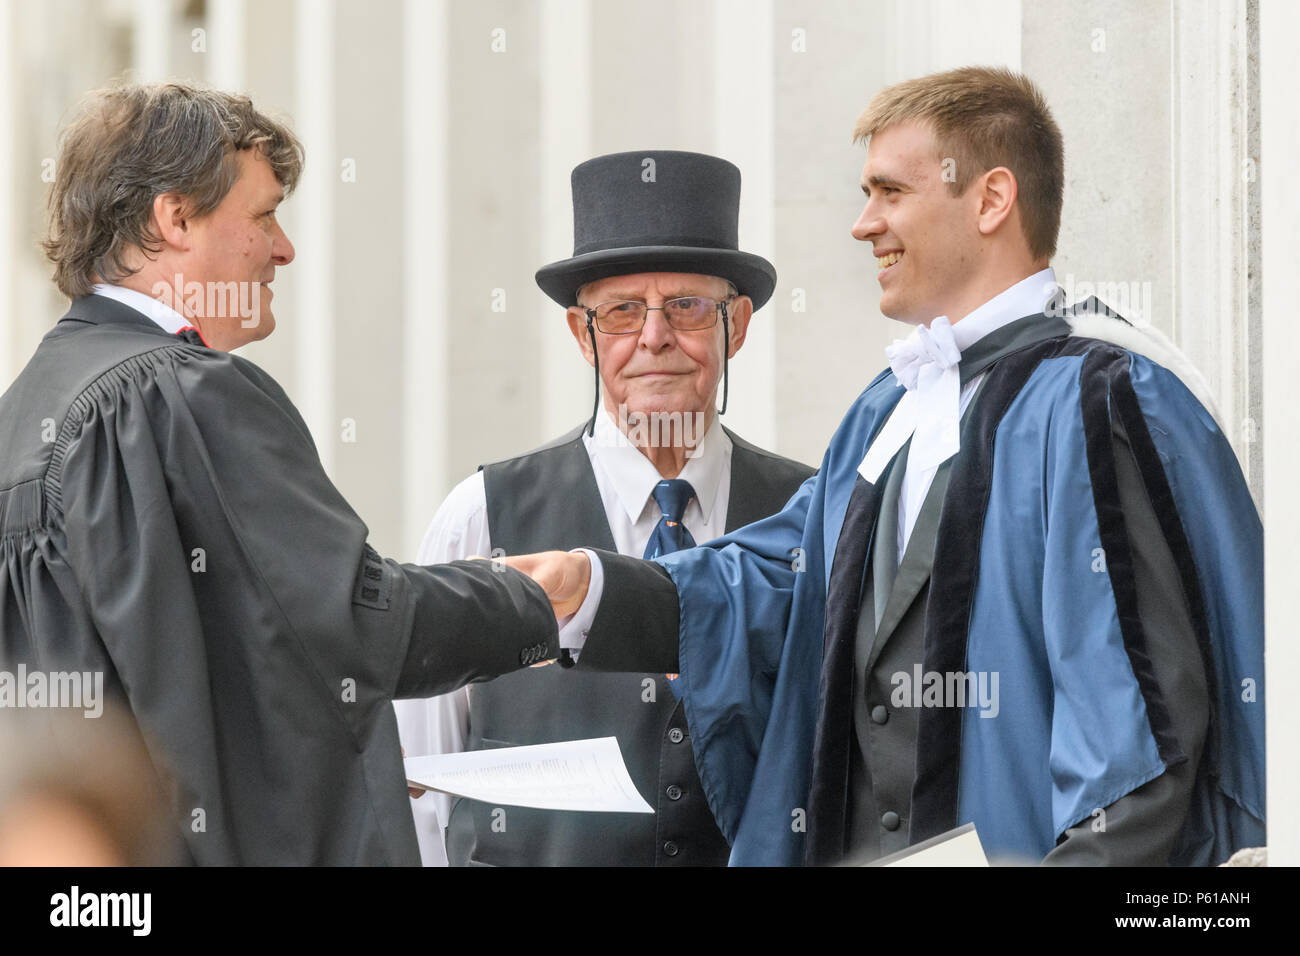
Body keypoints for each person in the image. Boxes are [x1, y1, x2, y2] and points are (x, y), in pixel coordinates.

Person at [509, 67, 1266, 866]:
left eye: (888, 192)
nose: (863, 225)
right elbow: (777, 584)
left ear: (990, 199)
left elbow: (1136, 741)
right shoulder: (888, 410)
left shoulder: (1100, 402)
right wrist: (591, 588)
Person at [0, 82, 559, 865]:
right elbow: (355, 626)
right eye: (263, 216)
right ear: (175, 217)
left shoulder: (21, 416)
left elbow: (177, 689)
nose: (284, 248)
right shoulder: (180, 395)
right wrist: (541, 599)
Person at [395, 150, 815, 866]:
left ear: (735, 327)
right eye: (622, 311)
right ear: (581, 335)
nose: (654, 337)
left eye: (686, 307)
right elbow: (419, 791)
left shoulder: (809, 513)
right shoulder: (482, 519)